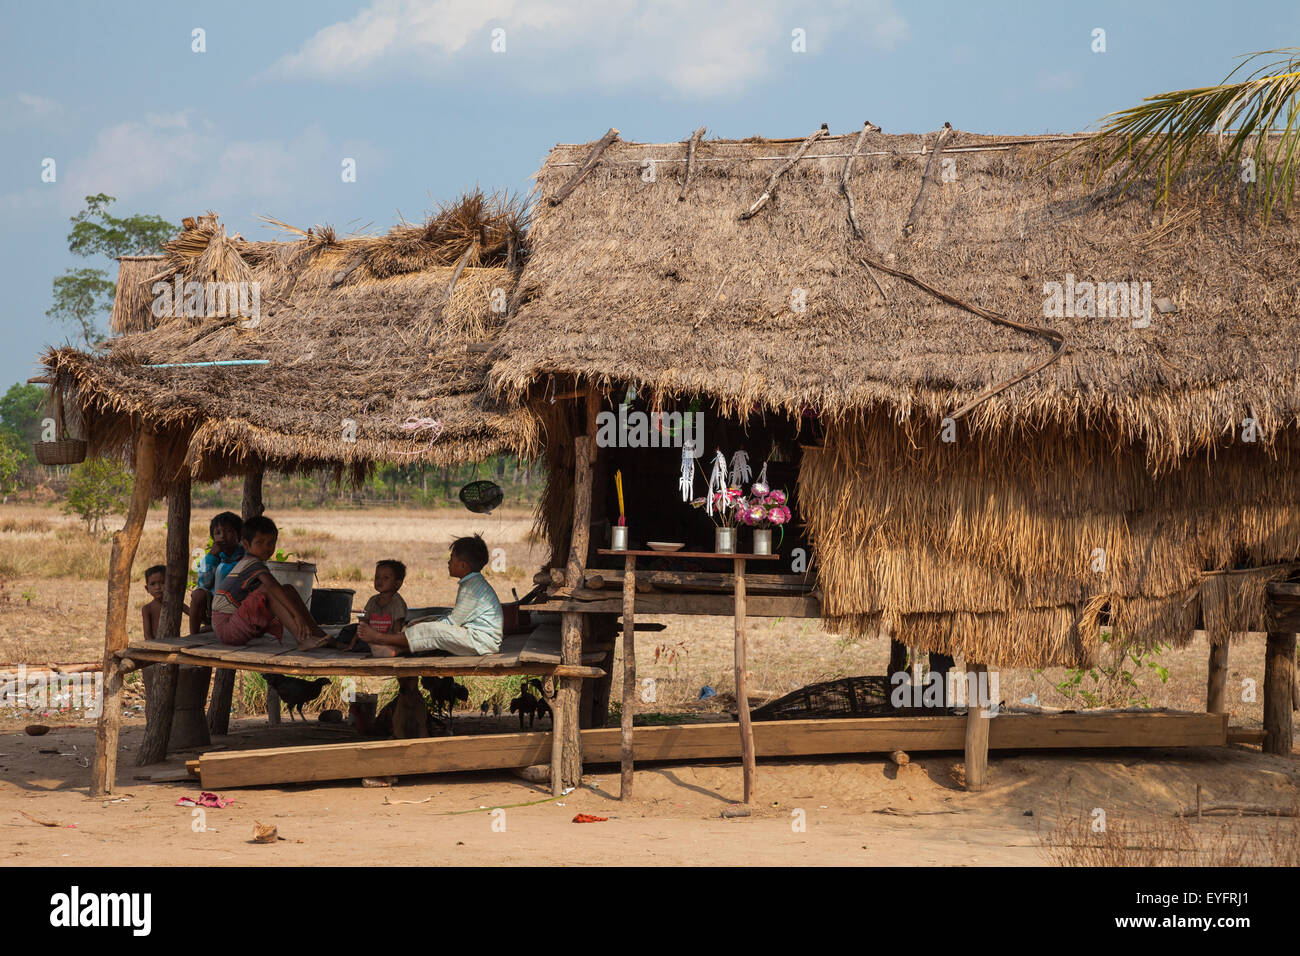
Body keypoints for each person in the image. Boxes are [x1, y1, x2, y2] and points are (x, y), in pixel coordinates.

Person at [359, 535, 501, 658]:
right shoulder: (472, 583)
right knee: (432, 623)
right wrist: (426, 621)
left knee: (433, 630)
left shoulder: (471, 589)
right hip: (477, 639)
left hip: (481, 642)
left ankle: (381, 638)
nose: (448, 562)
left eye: (452, 558)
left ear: (463, 565)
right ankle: (399, 649)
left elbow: (452, 623)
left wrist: (425, 625)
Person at [210, 515, 330, 649]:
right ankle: (301, 639)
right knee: (268, 591)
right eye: (260, 542)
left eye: (271, 543)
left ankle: (318, 634)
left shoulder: (251, 562)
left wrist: (299, 616)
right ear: (245, 544)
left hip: (234, 623)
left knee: (288, 589)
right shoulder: (252, 564)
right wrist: (297, 617)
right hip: (227, 628)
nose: (266, 547)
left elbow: (279, 590)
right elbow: (273, 587)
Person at [189, 512, 245, 634]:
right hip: (215, 604)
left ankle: (216, 627)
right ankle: (193, 634)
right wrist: (212, 557)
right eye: (218, 533)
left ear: (239, 535)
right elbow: (204, 583)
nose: (223, 537)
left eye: (228, 531)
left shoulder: (245, 556)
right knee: (198, 594)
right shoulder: (211, 557)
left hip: (238, 602)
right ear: (213, 538)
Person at [339, 560, 408, 652]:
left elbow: (397, 629)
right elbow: (364, 624)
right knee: (348, 631)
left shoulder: (397, 603)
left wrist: (393, 643)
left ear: (397, 583)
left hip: (387, 641)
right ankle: (335, 643)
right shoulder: (372, 601)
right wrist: (352, 644)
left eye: (386, 578)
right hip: (370, 640)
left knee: (366, 647)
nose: (380, 581)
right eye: (377, 577)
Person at [142, 564, 189, 642]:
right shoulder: (147, 609)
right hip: (156, 645)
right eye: (153, 584)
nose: (157, 587)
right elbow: (147, 635)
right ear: (147, 589)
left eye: (162, 582)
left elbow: (193, 615)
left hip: (175, 643)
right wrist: (153, 647)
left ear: (170, 584)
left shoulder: (175, 603)